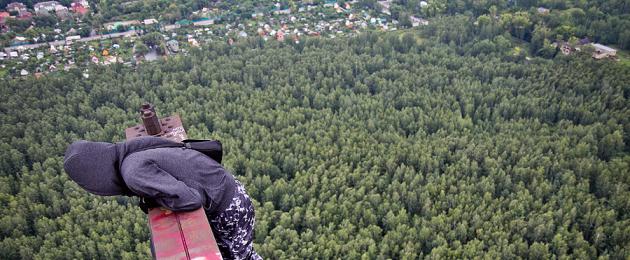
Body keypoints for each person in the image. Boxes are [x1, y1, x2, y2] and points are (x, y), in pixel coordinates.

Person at [63, 136, 261, 260]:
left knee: (239, 257)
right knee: (243, 255)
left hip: (229, 208)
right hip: (229, 192)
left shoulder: (132, 171)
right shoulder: (131, 151)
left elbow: (190, 199)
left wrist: (158, 199)